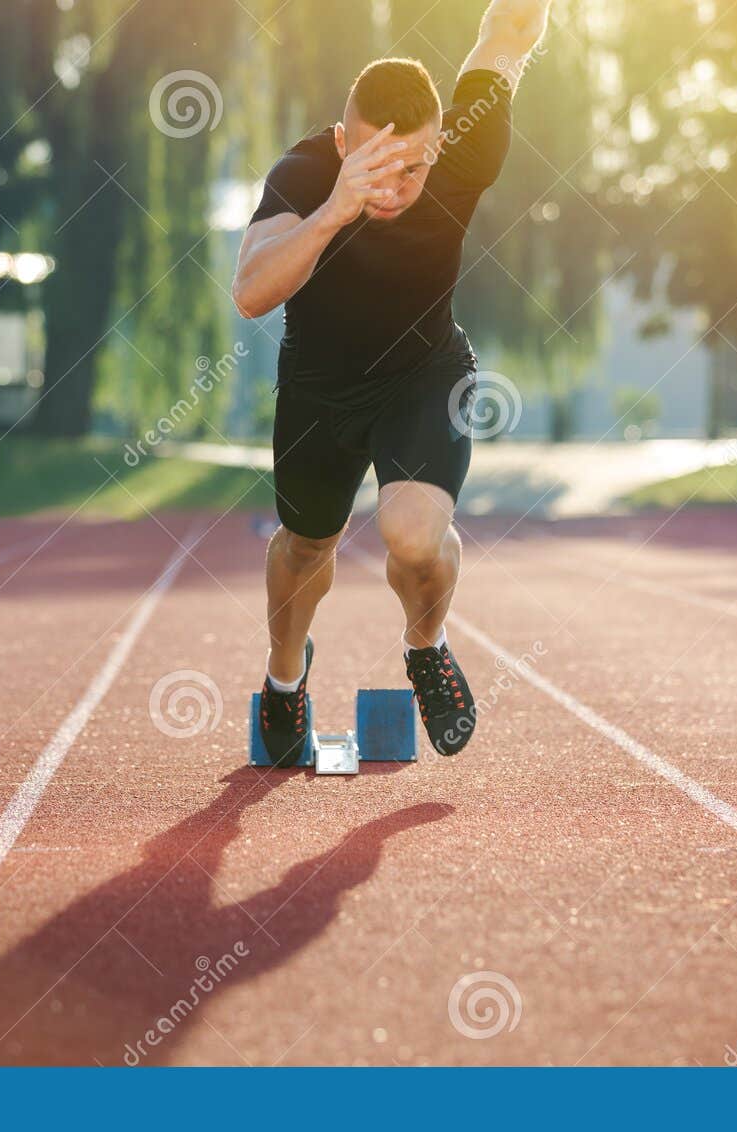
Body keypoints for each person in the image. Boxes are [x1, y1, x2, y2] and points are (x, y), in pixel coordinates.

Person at [233, 1, 551, 765]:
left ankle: (427, 645)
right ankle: (285, 680)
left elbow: (506, 32)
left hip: (424, 371)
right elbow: (249, 290)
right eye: (375, 166)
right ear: (344, 144)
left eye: (414, 166)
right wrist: (335, 210)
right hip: (319, 384)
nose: (396, 186)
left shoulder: (465, 150)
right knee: (307, 548)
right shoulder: (307, 174)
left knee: (412, 537)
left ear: (440, 144)